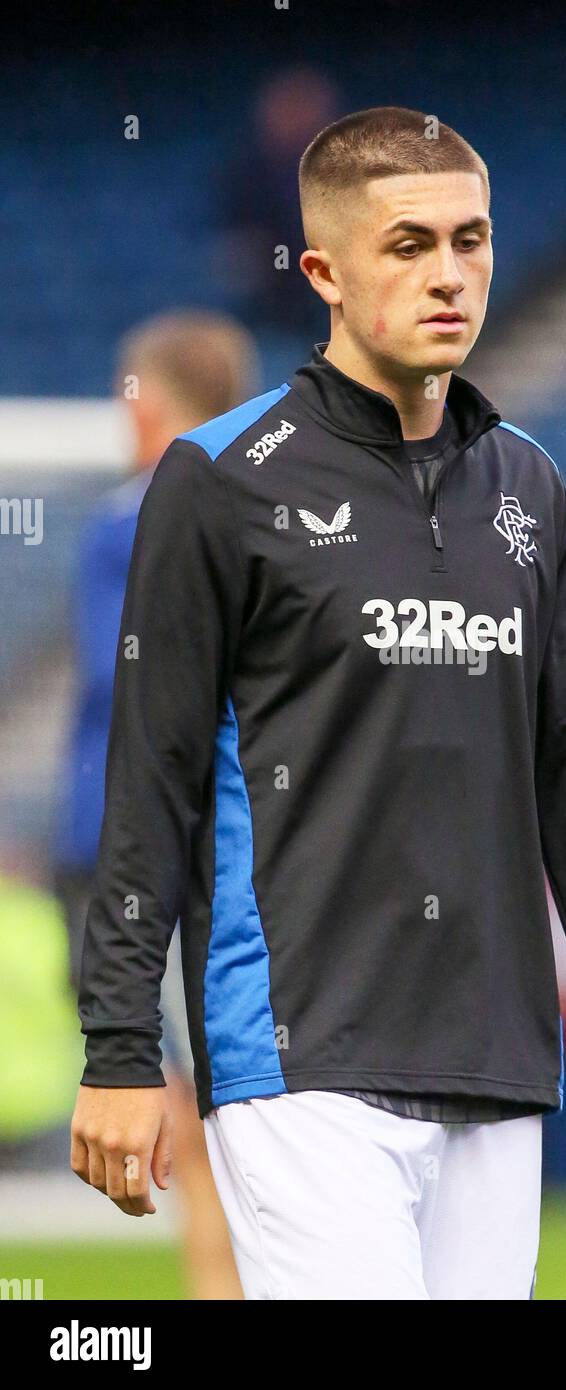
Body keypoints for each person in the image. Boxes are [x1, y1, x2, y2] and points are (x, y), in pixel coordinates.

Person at [71, 107, 566, 1300]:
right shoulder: (217, 482)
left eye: (470, 240)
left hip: (493, 1054)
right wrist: (119, 1046)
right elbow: (150, 777)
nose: (448, 274)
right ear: (322, 272)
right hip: (297, 1050)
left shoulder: (526, 483)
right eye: (408, 245)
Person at [60, 310, 259, 1299]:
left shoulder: (138, 520)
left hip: (148, 843)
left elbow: (127, 681)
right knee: (208, 1098)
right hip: (214, 839)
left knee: (196, 1101)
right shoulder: (262, 506)